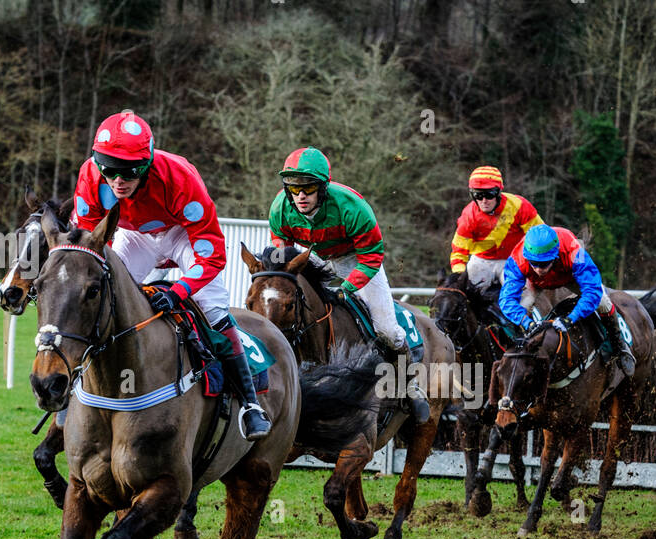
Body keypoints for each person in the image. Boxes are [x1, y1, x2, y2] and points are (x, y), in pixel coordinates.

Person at [71, 110, 271, 440]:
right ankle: (78, 389)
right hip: (133, 235)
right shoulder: (90, 176)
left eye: (129, 171)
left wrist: (178, 291)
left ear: (147, 162)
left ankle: (250, 405)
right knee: (97, 297)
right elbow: (87, 246)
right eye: (109, 169)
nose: (118, 180)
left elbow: (214, 255)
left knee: (211, 305)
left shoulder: (179, 177)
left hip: (181, 233)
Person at [268, 146, 429, 423]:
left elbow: (372, 257)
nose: (301, 195)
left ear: (323, 187)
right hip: (315, 256)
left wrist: (347, 287)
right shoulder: (280, 207)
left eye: (308, 187)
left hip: (356, 258)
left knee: (387, 330)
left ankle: (410, 382)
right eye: (294, 189)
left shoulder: (352, 207)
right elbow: (281, 248)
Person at [498, 224, 635, 377]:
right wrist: (525, 321)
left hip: (569, 276)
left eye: (543, 263)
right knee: (520, 308)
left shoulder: (575, 251)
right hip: (534, 282)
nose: (539, 269)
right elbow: (506, 300)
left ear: (555, 254)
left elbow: (592, 291)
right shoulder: (517, 258)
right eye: (534, 263)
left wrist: (570, 319)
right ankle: (519, 355)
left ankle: (619, 344)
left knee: (603, 302)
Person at [448, 166, 543, 296]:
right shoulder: (468, 216)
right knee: (466, 295)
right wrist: (460, 275)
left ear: (498, 192)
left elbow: (540, 236)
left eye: (489, 195)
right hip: (481, 261)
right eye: (478, 195)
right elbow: (459, 252)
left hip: (514, 260)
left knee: (524, 296)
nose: (484, 201)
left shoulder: (520, 206)